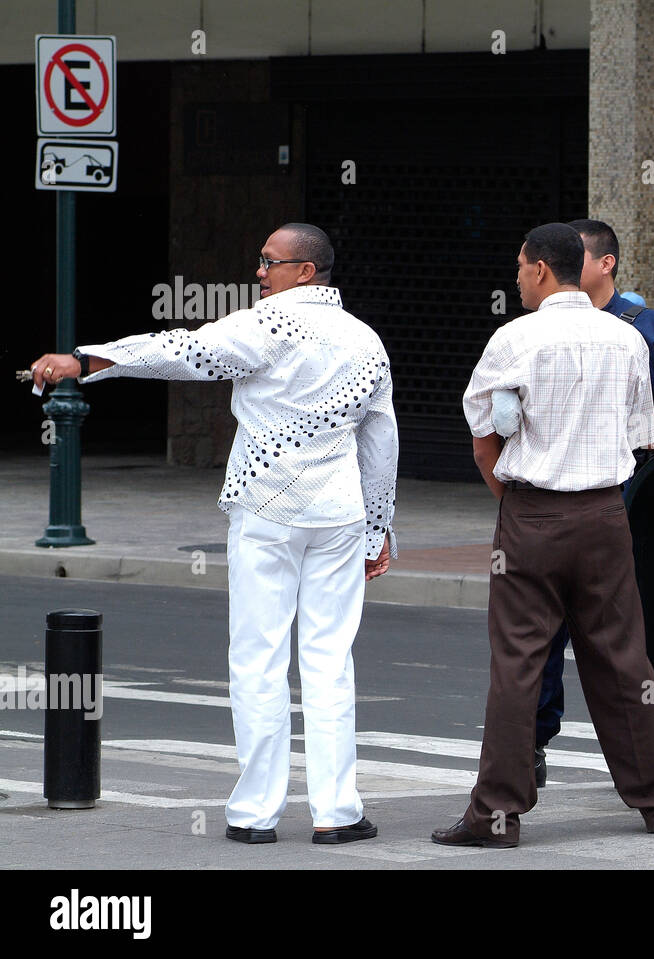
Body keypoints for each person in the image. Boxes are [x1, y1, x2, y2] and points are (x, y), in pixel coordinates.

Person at [29, 223, 398, 845]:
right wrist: (379, 529)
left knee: (258, 656)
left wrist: (85, 361)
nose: (259, 272)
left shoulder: (268, 325)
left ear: (305, 271)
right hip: (339, 513)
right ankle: (338, 813)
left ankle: (256, 813)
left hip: (266, 506)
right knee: (330, 660)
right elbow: (380, 439)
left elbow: (180, 350)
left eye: (269, 262)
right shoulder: (365, 339)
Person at [435, 222, 654, 848]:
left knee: (519, 661)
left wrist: (511, 497)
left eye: (520, 266)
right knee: (624, 658)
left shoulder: (514, 338)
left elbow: (482, 431)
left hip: (531, 515)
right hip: (605, 515)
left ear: (542, 270)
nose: (516, 277)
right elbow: (637, 431)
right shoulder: (627, 339)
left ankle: (497, 813)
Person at [528, 218, 654, 789]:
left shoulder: (649, 331)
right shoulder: (534, 333)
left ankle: (652, 767)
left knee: (621, 646)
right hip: (549, 507)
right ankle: (534, 746)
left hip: (624, 506)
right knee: (540, 638)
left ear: (606, 263)